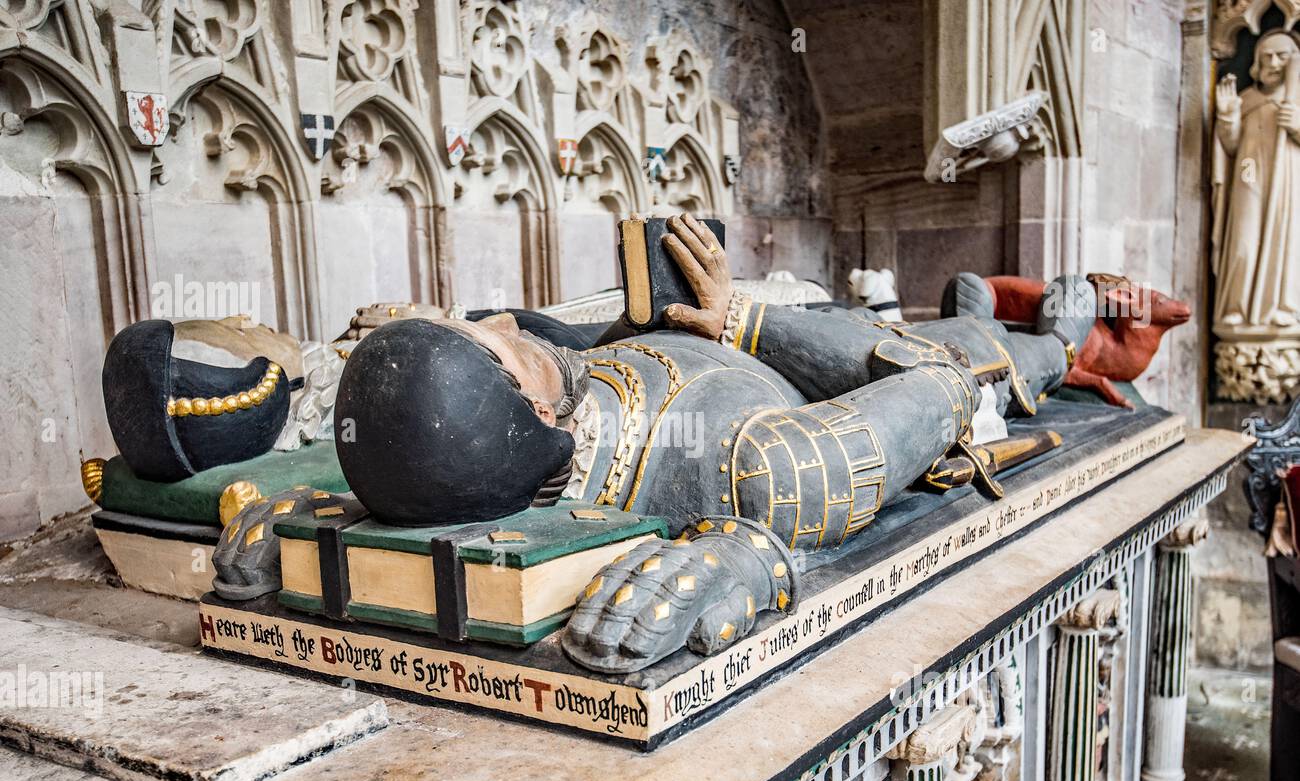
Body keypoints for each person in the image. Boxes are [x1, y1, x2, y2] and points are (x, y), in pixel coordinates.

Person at [217, 215, 1095, 673]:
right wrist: (742, 322)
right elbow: (932, 383)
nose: (498, 316)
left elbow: (419, 470)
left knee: (927, 320)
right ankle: (1059, 340)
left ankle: (983, 314)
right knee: (979, 352)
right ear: (533, 404)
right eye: (493, 341)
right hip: (863, 367)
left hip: (806, 332)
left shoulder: (558, 402)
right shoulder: (753, 467)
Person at [1213, 30, 1300, 329]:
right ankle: (1238, 306)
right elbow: (1232, 147)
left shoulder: (1296, 102)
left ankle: (1284, 306)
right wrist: (1228, 117)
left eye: (1282, 56)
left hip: (1289, 183)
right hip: (1248, 178)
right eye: (1267, 55)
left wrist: (1298, 127)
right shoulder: (1246, 99)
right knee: (1243, 242)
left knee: (1286, 243)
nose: (1273, 62)